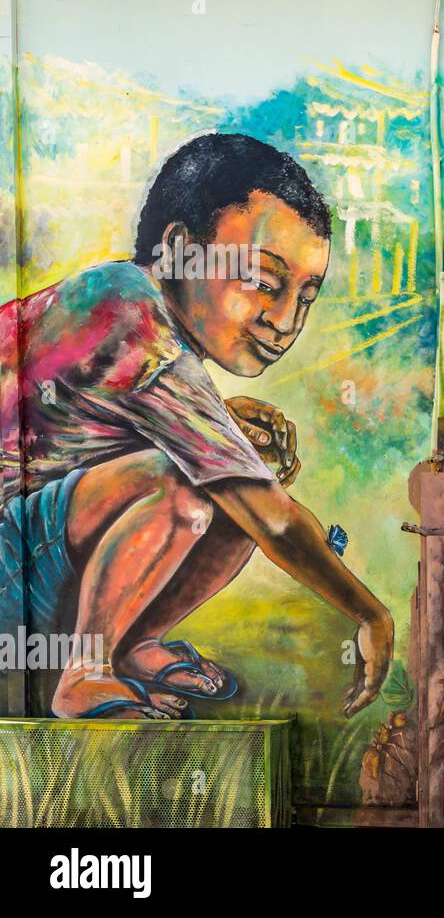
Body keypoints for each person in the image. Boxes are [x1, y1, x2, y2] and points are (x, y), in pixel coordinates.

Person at [0, 133, 393, 719]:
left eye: (305, 296)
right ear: (180, 249)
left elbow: (79, 439)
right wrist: (370, 613)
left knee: (232, 493)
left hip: (34, 554)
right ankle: (86, 673)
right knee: (196, 488)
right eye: (262, 281)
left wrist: (225, 435)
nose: (285, 321)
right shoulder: (126, 311)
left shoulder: (137, 310)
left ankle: (134, 644)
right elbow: (274, 522)